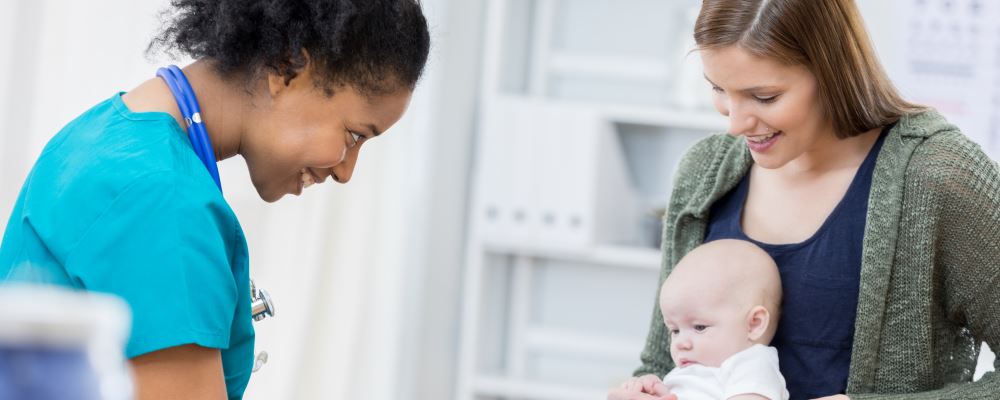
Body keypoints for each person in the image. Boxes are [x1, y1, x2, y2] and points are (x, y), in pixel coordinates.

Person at [0, 1, 430, 399]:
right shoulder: (161, 198)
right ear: (287, 67)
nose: (346, 170)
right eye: (354, 135)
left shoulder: (105, 133)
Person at [609, 0, 1000, 399]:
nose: (734, 123)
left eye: (763, 97)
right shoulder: (703, 173)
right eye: (719, 89)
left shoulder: (939, 176)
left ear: (832, 72)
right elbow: (662, 365)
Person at [618, 240, 789, 400]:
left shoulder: (750, 365)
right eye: (675, 330)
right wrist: (652, 390)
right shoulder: (688, 371)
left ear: (754, 324)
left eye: (699, 327)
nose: (681, 343)